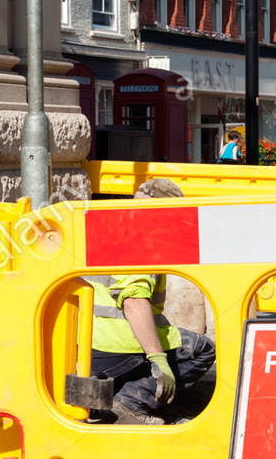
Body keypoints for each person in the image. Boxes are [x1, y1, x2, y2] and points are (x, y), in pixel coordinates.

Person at [88, 178, 217, 428]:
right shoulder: (141, 240)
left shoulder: (113, 229)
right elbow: (134, 303)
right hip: (115, 344)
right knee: (201, 349)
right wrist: (158, 359)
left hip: (88, 343)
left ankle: (125, 395)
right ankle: (131, 402)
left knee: (170, 341)